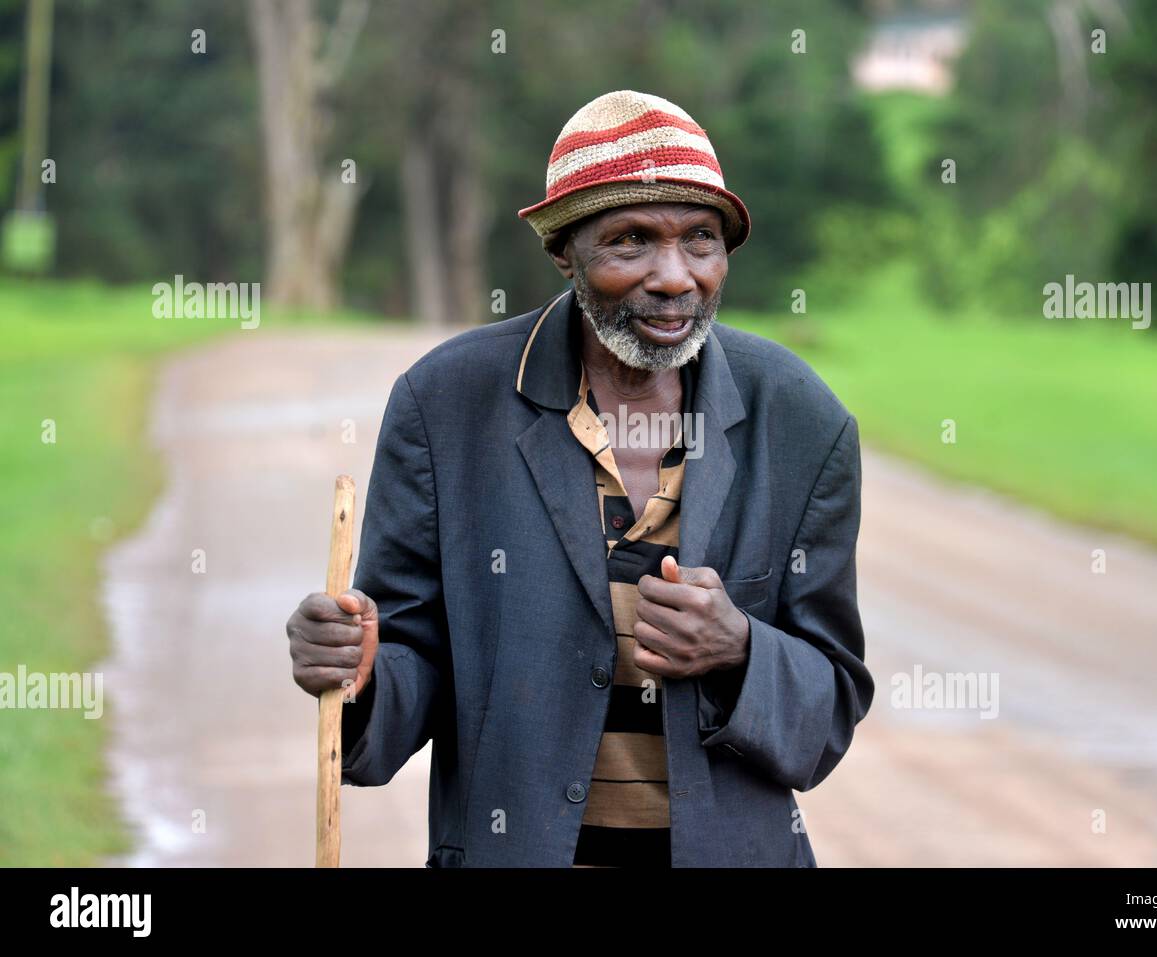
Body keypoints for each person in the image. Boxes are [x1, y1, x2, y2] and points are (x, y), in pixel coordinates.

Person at [285, 90, 874, 867]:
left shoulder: (802, 422)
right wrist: (358, 672)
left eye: (701, 239)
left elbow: (828, 706)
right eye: (631, 241)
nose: (675, 276)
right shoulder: (446, 405)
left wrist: (737, 647)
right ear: (563, 251)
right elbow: (413, 663)